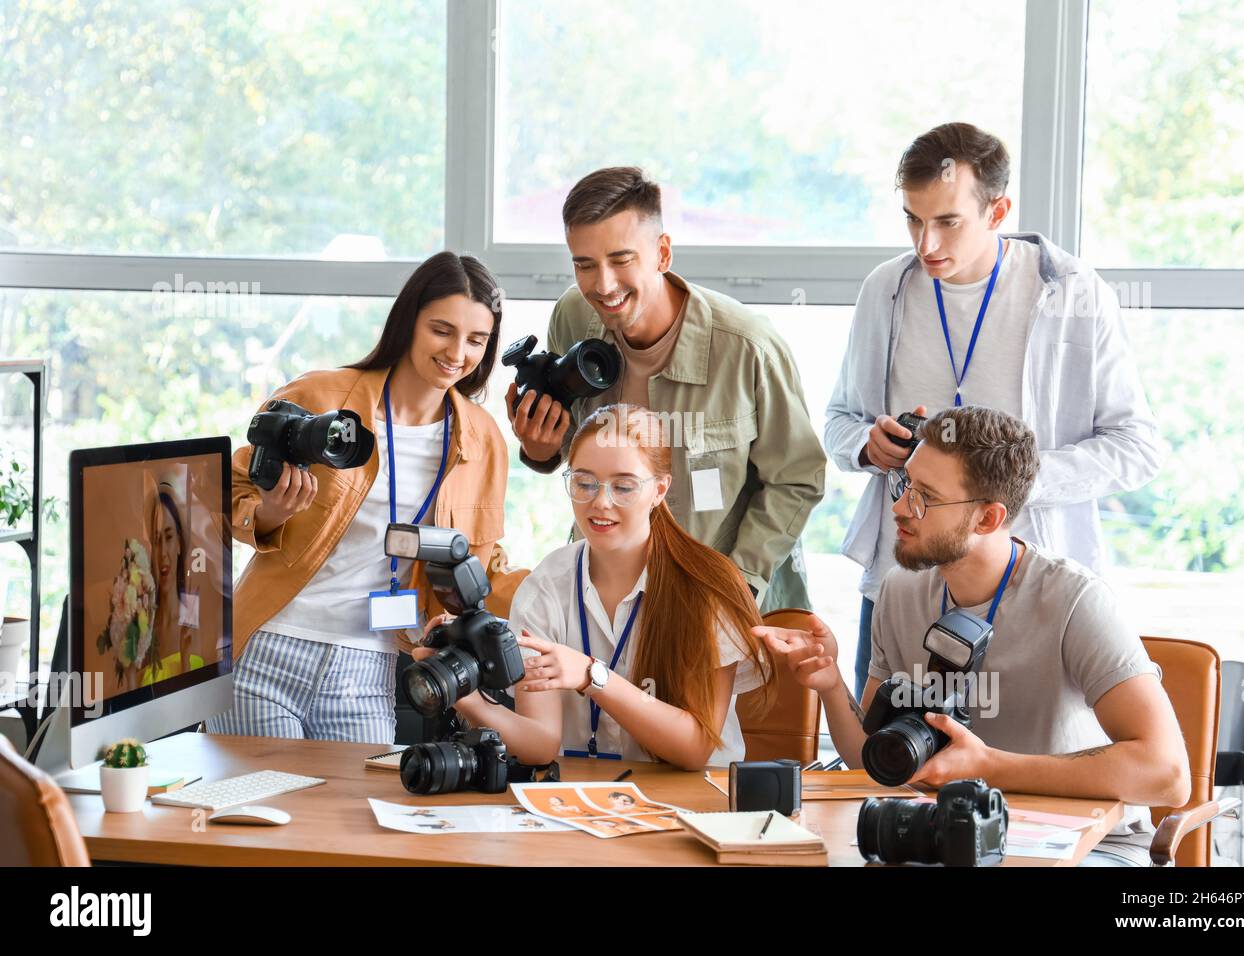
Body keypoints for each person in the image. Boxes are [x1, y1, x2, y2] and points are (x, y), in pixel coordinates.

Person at [759, 405, 1189, 865]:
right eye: (905, 485)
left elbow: (1167, 774)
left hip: (1089, 844)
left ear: (987, 519)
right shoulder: (900, 591)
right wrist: (830, 684)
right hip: (955, 839)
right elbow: (871, 758)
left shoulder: (1075, 601)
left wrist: (990, 767)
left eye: (925, 496)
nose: (900, 508)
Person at [825, 123, 1165, 697]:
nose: (925, 244)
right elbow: (840, 419)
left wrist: (1007, 480)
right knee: (889, 759)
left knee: (1031, 756)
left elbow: (1137, 447)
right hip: (907, 578)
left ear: (997, 210)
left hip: (1033, 586)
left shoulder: (1072, 292)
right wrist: (865, 445)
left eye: (948, 222)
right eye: (913, 219)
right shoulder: (886, 289)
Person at [206, 252, 522, 745]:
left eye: (476, 340)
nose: (457, 352)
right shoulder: (320, 396)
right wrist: (268, 513)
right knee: (267, 813)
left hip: (367, 667)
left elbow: (476, 555)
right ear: (408, 322)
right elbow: (223, 489)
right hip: (269, 647)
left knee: (355, 817)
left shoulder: (483, 441)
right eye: (442, 330)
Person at [506, 166, 825, 613]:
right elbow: (568, 452)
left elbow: (796, 477)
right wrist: (539, 448)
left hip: (714, 595)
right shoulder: (572, 318)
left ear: (662, 253)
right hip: (606, 594)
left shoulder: (748, 347)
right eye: (584, 264)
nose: (603, 285)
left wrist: (736, 586)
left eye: (621, 260)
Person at [426, 404, 773, 771]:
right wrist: (460, 690)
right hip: (585, 804)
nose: (600, 502)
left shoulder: (708, 586)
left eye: (623, 487)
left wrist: (593, 676)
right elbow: (540, 744)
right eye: (584, 482)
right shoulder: (547, 586)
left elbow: (695, 748)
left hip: (695, 801)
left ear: (660, 489)